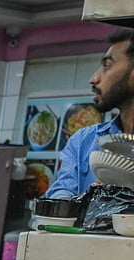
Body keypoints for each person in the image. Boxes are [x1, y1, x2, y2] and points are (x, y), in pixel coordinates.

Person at [47, 30, 134, 198]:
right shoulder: (84, 140)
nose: (94, 78)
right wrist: (86, 200)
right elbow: (60, 193)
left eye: (107, 66)